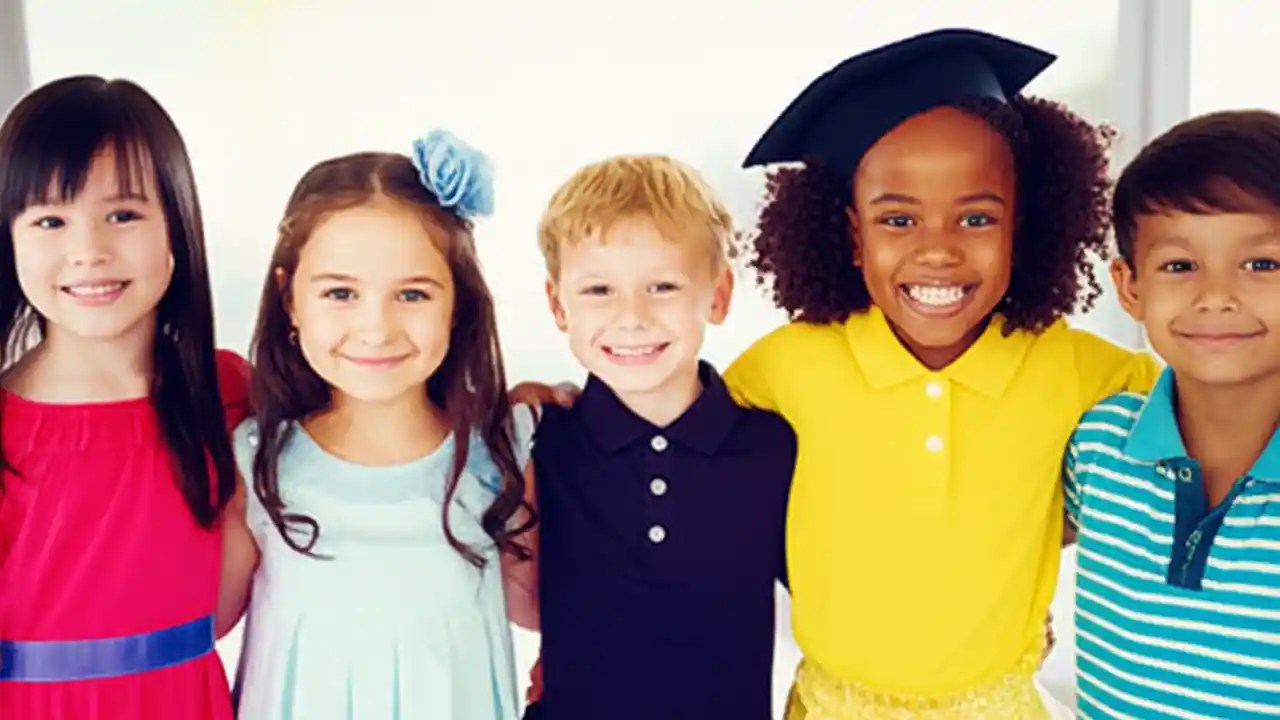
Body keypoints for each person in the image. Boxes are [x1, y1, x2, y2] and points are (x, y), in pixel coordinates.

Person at [514, 28, 1157, 718]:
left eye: (975, 217)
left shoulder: (1088, 372)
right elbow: (673, 431)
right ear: (851, 235)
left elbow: (1192, 437)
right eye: (898, 218)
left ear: (1025, 227)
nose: (937, 251)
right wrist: (546, 409)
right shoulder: (789, 366)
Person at [222, 130, 536, 720]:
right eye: (341, 292)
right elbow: (196, 626)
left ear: (458, 303)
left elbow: (550, 614)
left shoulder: (501, 455)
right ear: (291, 300)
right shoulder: (255, 460)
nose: (376, 328)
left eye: (412, 294)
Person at [0, 76, 250, 719]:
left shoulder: (228, 395)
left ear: (177, 226)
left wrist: (541, 403)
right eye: (51, 220)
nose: (89, 251)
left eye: (123, 214)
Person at [523, 154, 796, 719]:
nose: (632, 317)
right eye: (599, 289)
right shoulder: (538, 442)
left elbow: (845, 584)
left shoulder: (773, 449)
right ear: (557, 305)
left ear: (718, 296)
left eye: (663, 286)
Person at [1065, 110, 1280, 719]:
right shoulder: (1099, 443)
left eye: (1263, 264)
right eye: (1180, 266)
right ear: (1130, 286)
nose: (1216, 296)